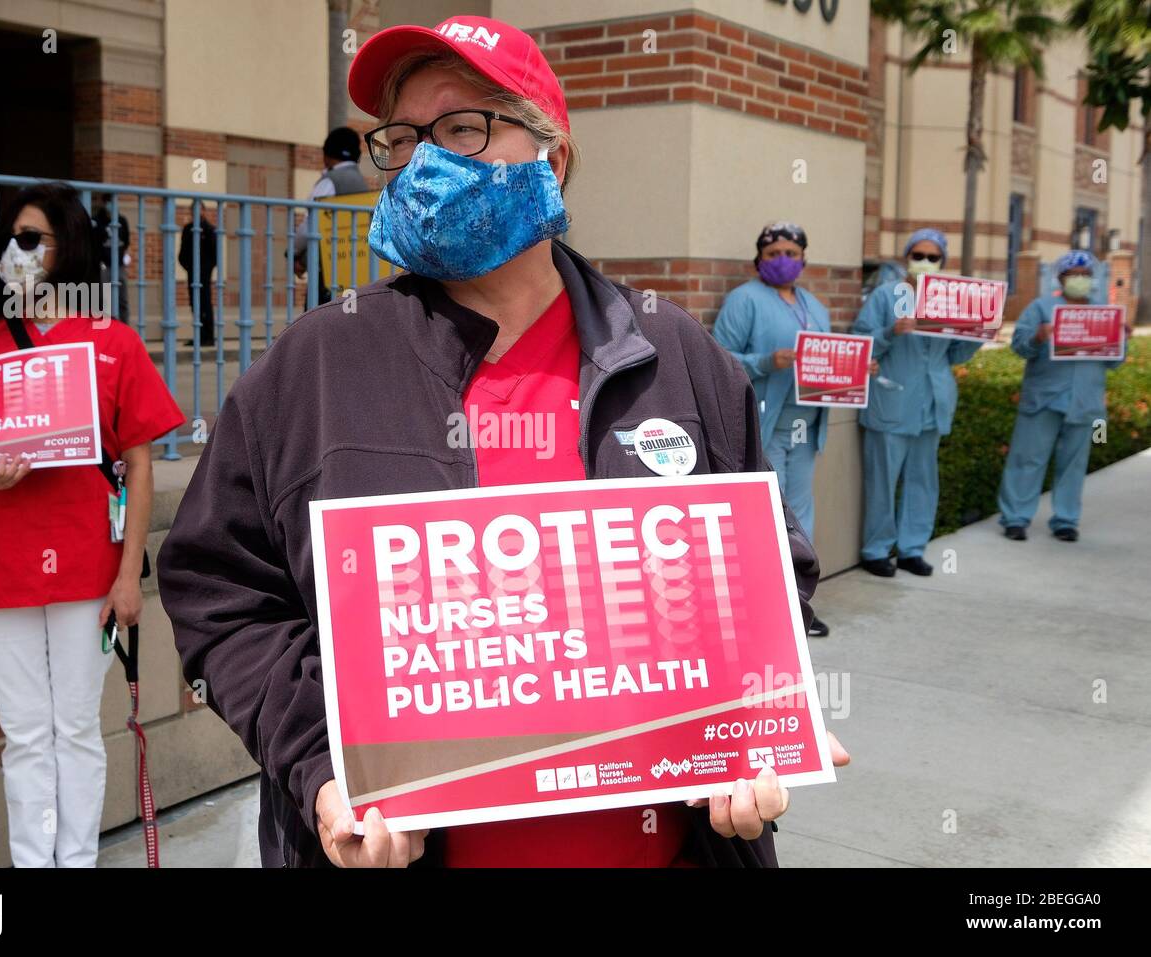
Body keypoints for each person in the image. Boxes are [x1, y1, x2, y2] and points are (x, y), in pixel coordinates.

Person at [159, 13, 847, 870]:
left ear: (552, 159)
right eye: (403, 138)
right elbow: (221, 592)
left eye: (462, 127)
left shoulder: (672, 354)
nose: (424, 160)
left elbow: (768, 565)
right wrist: (325, 765)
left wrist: (750, 725)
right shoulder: (319, 364)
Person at [0, 182, 184, 867]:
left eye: (35, 238)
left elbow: (140, 463)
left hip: (87, 566)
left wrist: (130, 576)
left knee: (75, 729)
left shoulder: (113, 341)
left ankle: (77, 860)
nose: (21, 251)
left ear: (69, 248)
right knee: (25, 733)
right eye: (13, 238)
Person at [715, 222, 873, 638]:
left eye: (791, 253)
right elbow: (721, 358)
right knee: (767, 513)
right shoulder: (744, 301)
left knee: (800, 515)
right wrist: (767, 362)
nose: (783, 260)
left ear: (803, 259)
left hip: (806, 425)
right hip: (765, 422)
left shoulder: (814, 306)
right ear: (759, 260)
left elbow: (828, 362)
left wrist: (855, 370)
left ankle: (798, 602)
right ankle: (767, 607)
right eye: (773, 254)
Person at [851, 228, 981, 577]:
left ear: (943, 261)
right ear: (907, 257)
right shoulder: (884, 296)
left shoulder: (950, 299)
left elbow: (956, 354)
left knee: (924, 480)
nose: (924, 262)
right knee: (883, 479)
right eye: (918, 255)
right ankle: (876, 550)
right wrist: (891, 332)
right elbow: (860, 344)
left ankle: (912, 549)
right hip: (891, 401)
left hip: (932, 404)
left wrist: (978, 334)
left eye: (932, 257)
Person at [998, 250, 1131, 542]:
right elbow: (1019, 346)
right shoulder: (1041, 308)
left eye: (1085, 276)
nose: (1079, 280)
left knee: (1074, 464)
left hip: (1084, 402)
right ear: (1061, 278)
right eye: (1074, 275)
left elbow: (1114, 362)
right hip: (1043, 399)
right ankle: (1015, 518)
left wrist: (1122, 340)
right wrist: (1038, 337)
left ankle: (1066, 520)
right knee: (1027, 459)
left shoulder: (1103, 313)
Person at [305, 127, 369, 303]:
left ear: (327, 155)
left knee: (317, 321)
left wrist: (294, 254)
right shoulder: (363, 183)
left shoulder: (329, 181)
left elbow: (310, 224)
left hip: (326, 268)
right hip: (354, 267)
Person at [178, 207, 218, 347]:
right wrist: (190, 268)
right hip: (192, 274)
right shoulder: (188, 229)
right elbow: (182, 254)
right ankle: (199, 336)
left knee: (205, 304)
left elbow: (215, 255)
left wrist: (205, 269)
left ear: (203, 210)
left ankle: (209, 336)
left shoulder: (209, 229)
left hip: (204, 275)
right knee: (195, 305)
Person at [92, 194, 131, 323]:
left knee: (122, 299)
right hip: (103, 265)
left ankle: (125, 328)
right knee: (104, 299)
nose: (111, 205)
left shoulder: (122, 220)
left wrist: (124, 259)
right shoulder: (97, 220)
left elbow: (126, 242)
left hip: (119, 265)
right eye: (108, 201)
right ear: (103, 203)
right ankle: (107, 329)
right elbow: (94, 243)